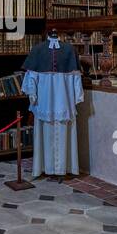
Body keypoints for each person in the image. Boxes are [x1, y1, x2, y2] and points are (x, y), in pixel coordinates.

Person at [20, 29, 83, 178]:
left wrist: (32, 95)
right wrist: (77, 97)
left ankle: (55, 168)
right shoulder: (66, 50)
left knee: (52, 133)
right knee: (52, 133)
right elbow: (76, 81)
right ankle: (55, 168)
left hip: (48, 102)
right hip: (61, 102)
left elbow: (31, 80)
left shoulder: (40, 49)